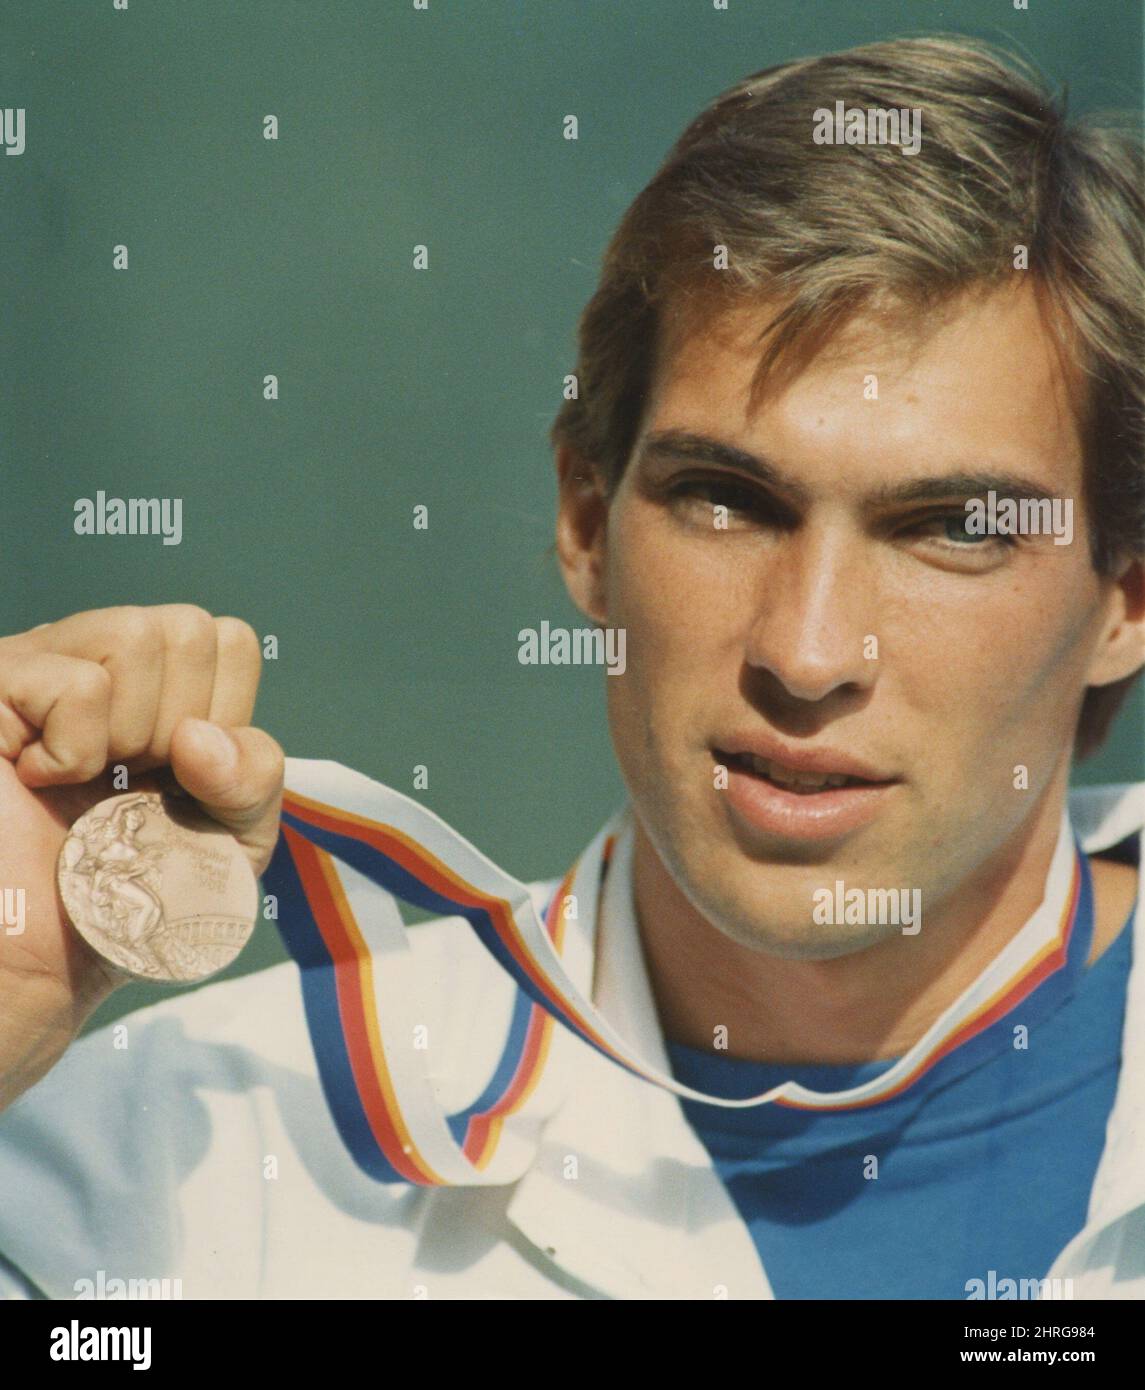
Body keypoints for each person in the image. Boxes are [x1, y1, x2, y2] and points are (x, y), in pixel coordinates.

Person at [0, 34, 1141, 1300]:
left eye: (949, 529)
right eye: (724, 500)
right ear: (586, 524)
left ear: (1126, 599)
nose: (806, 652)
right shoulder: (167, 1172)